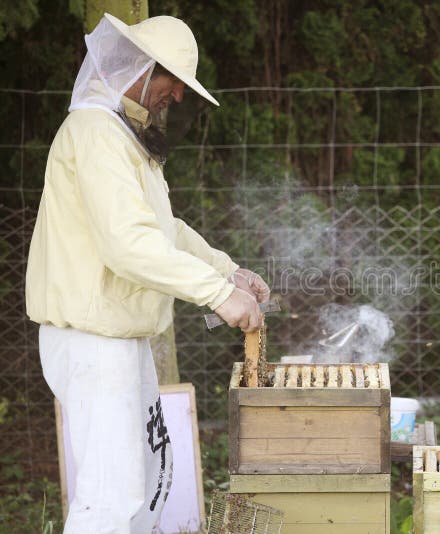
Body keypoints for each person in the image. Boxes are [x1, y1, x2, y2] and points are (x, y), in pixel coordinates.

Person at [25, 14, 267, 533]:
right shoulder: (94, 132)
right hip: (92, 340)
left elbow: (163, 229)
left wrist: (229, 273)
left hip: (117, 336)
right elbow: (127, 245)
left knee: (149, 479)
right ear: (139, 67)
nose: (177, 96)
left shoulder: (120, 135)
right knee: (110, 498)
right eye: (172, 80)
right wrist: (216, 295)